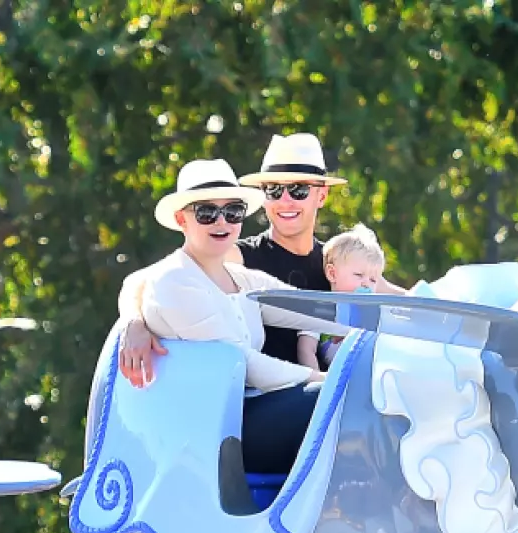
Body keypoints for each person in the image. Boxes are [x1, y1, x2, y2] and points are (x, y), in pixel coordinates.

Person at [116, 157, 348, 474]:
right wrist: (327, 377)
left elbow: (313, 310)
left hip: (253, 413)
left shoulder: (241, 278)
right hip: (218, 435)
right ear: (182, 220)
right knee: (340, 398)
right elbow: (243, 363)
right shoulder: (174, 281)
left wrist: (380, 328)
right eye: (207, 212)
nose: (222, 222)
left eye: (232, 211)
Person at [119, 132, 407, 387]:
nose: (285, 201)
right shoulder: (235, 256)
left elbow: (402, 307)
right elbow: (143, 282)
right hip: (265, 407)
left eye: (298, 190)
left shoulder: (341, 264)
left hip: (318, 402)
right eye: (273, 190)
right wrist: (133, 322)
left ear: (321, 195)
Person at [296, 223, 386, 372]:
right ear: (332, 273)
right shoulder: (320, 308)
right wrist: (319, 382)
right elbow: (306, 349)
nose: (366, 284)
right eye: (358, 275)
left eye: (373, 280)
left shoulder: (376, 311)